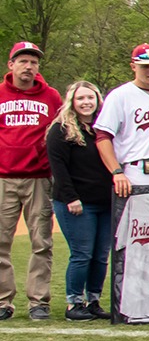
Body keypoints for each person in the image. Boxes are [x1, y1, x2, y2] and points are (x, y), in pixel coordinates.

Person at [0, 41, 61, 320]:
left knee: (42, 242)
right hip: (4, 178)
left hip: (39, 178)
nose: (29, 66)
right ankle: (3, 301)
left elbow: (62, 132)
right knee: (1, 242)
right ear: (10, 65)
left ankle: (39, 301)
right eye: (23, 61)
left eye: (34, 62)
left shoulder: (51, 97)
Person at [47, 80, 110, 321]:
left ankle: (93, 300)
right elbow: (59, 169)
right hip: (75, 203)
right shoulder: (61, 129)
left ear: (98, 101)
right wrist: (71, 197)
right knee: (82, 253)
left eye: (90, 98)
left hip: (104, 203)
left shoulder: (104, 129)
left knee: (100, 255)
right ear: (72, 101)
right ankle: (74, 303)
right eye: (81, 98)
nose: (86, 103)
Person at [95, 43, 149, 193]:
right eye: (145, 66)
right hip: (137, 171)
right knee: (140, 217)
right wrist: (116, 172)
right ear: (133, 66)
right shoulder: (119, 96)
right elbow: (103, 136)